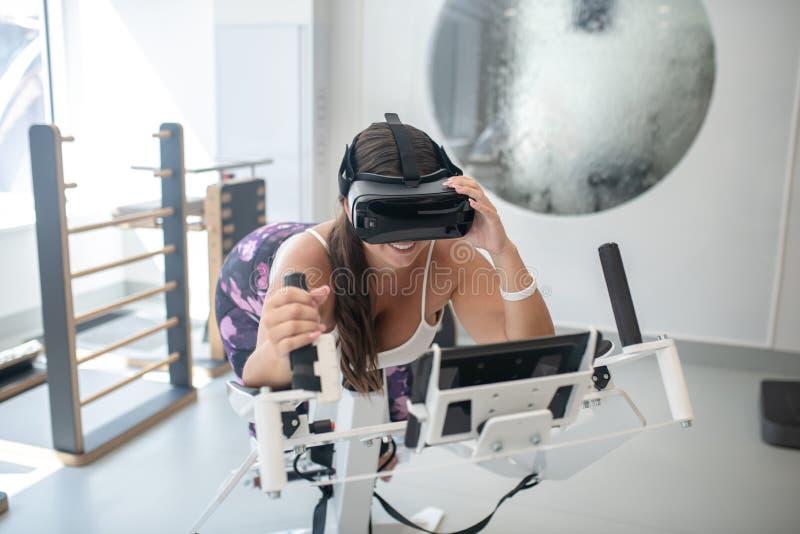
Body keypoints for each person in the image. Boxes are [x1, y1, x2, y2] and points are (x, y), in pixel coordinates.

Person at [215, 119, 555, 475]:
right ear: (348, 206)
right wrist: (282, 345)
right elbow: (260, 389)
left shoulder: (451, 256)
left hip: (350, 257)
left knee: (383, 447)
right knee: (297, 447)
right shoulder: (310, 272)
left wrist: (503, 251)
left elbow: (530, 360)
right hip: (254, 272)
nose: (406, 236)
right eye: (387, 212)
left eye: (420, 210)